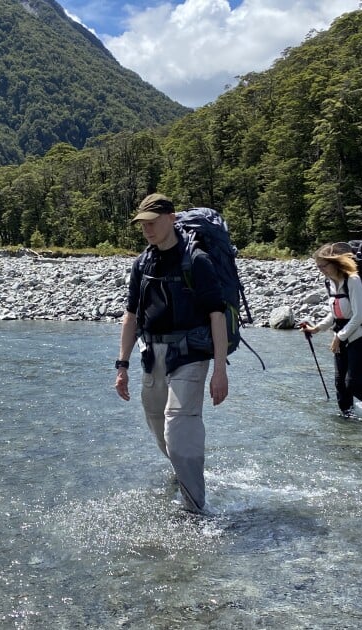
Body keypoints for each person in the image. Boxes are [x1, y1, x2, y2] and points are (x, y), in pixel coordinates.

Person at [114, 193, 228, 514]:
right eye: (143, 223)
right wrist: (121, 365)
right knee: (158, 424)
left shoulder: (198, 261)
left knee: (178, 426)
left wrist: (220, 370)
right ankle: (184, 471)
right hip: (153, 356)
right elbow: (131, 316)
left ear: (171, 218)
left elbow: (217, 316)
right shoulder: (142, 263)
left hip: (191, 354)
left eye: (153, 221)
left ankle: (195, 510)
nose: (147, 228)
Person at [298, 243, 362, 420]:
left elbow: (359, 315)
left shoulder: (353, 280)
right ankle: (348, 421)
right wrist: (316, 328)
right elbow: (336, 314)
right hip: (344, 336)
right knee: (340, 385)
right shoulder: (330, 282)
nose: (321, 270)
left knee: (353, 384)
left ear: (335, 262)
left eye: (324, 265)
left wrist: (339, 337)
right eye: (318, 267)